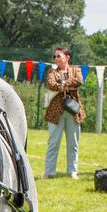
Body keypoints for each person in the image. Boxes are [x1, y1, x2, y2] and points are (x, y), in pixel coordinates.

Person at [43, 45, 83, 179]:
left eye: (58, 56)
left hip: (73, 110)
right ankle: (49, 172)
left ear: (67, 57)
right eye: (54, 56)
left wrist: (62, 83)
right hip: (55, 111)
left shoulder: (76, 69)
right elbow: (51, 84)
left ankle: (72, 171)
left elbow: (78, 81)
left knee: (73, 143)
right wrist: (67, 84)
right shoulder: (51, 71)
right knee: (53, 142)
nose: (55, 59)